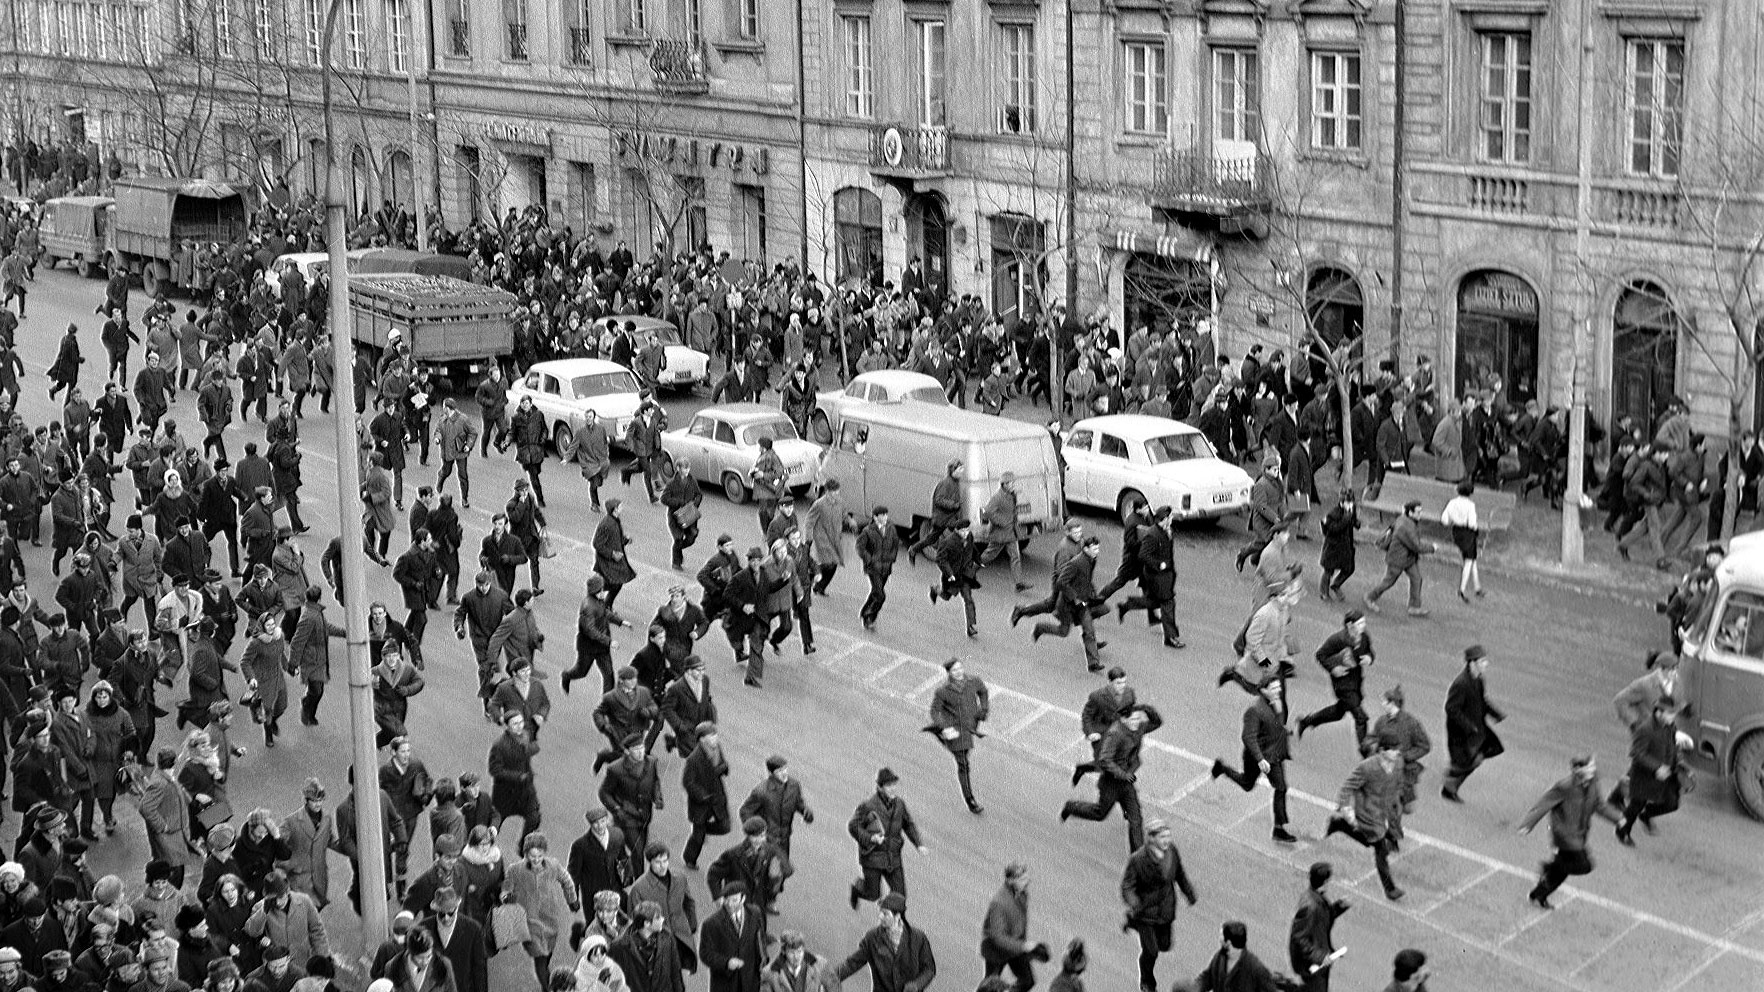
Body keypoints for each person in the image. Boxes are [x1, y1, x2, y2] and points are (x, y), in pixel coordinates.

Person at [1518, 754, 1621, 909]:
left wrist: (1618, 818)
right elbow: (1544, 803)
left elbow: (1599, 805)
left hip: (1580, 833)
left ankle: (1539, 894)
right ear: (1578, 770)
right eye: (1590, 767)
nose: (1593, 770)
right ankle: (1549, 867)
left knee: (1562, 872)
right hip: (1564, 834)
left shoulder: (1592, 783)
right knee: (1584, 865)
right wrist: (1528, 823)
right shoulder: (1565, 787)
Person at [1063, 705, 1162, 852]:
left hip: (1126, 783)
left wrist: (1146, 709)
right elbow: (1104, 760)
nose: (1137, 722)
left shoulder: (1138, 728)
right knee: (1100, 814)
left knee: (1136, 820)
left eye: (1138, 719)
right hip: (1111, 783)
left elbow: (1156, 723)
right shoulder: (1115, 734)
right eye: (1133, 719)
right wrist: (1123, 774)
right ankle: (1071, 807)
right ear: (1123, 719)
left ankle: (1138, 859)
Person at [1325, 731, 1407, 901]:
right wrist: (1346, 807)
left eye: (1398, 750)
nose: (1397, 753)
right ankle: (1390, 889)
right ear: (1383, 750)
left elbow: (1398, 783)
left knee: (1372, 841)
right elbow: (1347, 787)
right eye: (1393, 750)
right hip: (1368, 813)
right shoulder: (1368, 767)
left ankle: (1340, 825)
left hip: (1385, 812)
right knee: (1380, 849)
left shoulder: (1398, 763)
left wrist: (1398, 802)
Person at [1210, 680, 1296, 843]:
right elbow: (1248, 737)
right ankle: (1222, 768)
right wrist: (1260, 759)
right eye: (1274, 688)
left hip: (1274, 754)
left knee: (1281, 787)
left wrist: (1283, 732)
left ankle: (1278, 828)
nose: (1279, 690)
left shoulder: (1277, 702)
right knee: (1247, 784)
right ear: (1264, 690)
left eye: (1279, 687)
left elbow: (1277, 723)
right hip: (1257, 757)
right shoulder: (1255, 710)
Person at [1121, 818, 1196, 992]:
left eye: (1168, 836)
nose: (1167, 840)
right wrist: (1135, 902)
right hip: (1146, 912)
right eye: (1163, 837)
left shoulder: (1172, 852)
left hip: (1166, 908)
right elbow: (1127, 886)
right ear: (1152, 839)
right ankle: (1147, 981)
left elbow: (1179, 873)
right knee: (1151, 951)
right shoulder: (1138, 860)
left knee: (1165, 945)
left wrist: (1189, 893)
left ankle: (1131, 922)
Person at [846, 767, 925, 909]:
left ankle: (893, 924)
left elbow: (908, 824)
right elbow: (853, 826)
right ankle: (857, 889)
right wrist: (871, 838)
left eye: (894, 785)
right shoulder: (868, 806)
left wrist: (918, 844)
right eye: (889, 786)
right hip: (872, 858)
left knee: (900, 897)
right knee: (872, 894)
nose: (893, 788)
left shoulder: (899, 804)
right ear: (880, 787)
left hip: (893, 857)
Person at [1616, 696, 1687, 845]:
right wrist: (1657, 768)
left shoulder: (1670, 726)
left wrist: (1679, 761)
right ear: (1658, 713)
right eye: (1669, 713)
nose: (1672, 717)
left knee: (1672, 803)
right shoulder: (1645, 729)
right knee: (1635, 806)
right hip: (1645, 776)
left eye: (1673, 714)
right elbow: (1636, 752)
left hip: (1667, 773)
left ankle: (1646, 815)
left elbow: (1673, 745)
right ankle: (1622, 831)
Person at [1295, 611, 1374, 745]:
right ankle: (1365, 752)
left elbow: (1369, 651)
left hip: (1356, 680)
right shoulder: (1337, 640)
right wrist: (1333, 668)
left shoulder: (1364, 637)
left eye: (1364, 622)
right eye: (1360, 623)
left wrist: (1369, 658)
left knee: (1338, 712)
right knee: (1360, 718)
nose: (1363, 626)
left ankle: (1306, 722)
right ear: (1350, 625)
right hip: (1342, 683)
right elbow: (1320, 655)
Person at [1031, 536, 1107, 672]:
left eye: (1098, 548)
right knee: (1063, 631)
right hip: (1067, 605)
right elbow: (1061, 582)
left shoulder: (1091, 560)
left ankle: (1093, 663)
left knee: (1089, 631)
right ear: (1086, 549)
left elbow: (1086, 580)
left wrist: (1092, 595)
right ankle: (1040, 628)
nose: (1097, 551)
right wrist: (1075, 598)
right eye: (1095, 548)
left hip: (1083, 604)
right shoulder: (1075, 563)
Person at [833, 894, 935, 992]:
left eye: (885, 913)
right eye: (880, 912)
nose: (880, 916)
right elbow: (852, 963)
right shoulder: (872, 938)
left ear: (897, 916)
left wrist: (916, 985)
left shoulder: (918, 938)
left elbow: (929, 969)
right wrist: (830, 977)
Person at [1441, 644, 1503, 802]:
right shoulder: (1461, 683)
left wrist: (1495, 714)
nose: (1486, 664)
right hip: (1462, 734)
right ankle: (1449, 788)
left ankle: (1452, 779)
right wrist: (1469, 727)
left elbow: (1481, 700)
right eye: (1482, 661)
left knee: (1480, 755)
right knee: (1468, 761)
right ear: (1472, 663)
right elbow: (1451, 708)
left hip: (1476, 730)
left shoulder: (1478, 680)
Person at [925, 658, 988, 814]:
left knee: (965, 755)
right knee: (964, 765)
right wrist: (945, 728)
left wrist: (983, 708)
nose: (959, 672)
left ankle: (939, 734)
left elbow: (983, 691)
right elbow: (934, 711)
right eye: (955, 670)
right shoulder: (943, 691)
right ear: (949, 673)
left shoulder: (973, 681)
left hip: (970, 726)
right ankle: (970, 799)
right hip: (955, 730)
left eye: (960, 668)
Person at [978, 862, 1047, 990]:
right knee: (988, 988)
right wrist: (1024, 946)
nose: (1027, 882)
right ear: (1010, 881)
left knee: (1027, 981)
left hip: (1015, 947)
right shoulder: (998, 903)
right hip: (997, 951)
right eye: (1022, 879)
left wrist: (1027, 949)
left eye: (1027, 878)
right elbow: (998, 937)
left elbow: (1020, 925)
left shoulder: (1022, 894)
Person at [1364, 500, 1434, 617]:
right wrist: (1432, 548)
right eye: (1418, 512)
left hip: (1408, 558)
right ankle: (1370, 597)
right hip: (1397, 559)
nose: (1420, 514)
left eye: (1420, 512)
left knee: (1417, 579)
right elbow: (1416, 546)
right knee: (1388, 582)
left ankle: (1414, 607)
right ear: (1410, 513)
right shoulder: (1406, 527)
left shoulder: (1404, 519)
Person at [1287, 863, 1349, 992]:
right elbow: (1299, 937)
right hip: (1311, 963)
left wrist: (1338, 907)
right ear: (1325, 882)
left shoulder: (1314, 897)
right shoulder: (1310, 906)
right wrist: (1320, 957)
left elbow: (1321, 920)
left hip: (1318, 958)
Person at [738, 756, 812, 860]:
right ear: (772, 773)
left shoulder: (794, 786)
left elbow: (799, 803)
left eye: (785, 768)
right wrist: (756, 833)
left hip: (784, 839)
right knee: (768, 872)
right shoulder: (761, 792)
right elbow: (745, 811)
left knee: (783, 870)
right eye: (780, 771)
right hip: (767, 841)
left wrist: (806, 812)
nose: (784, 773)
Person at [1370, 686, 1430, 815]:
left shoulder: (1411, 723)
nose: (1382, 704)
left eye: (1384, 701)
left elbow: (1425, 746)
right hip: (1383, 767)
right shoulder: (1382, 721)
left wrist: (1405, 756)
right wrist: (1369, 746)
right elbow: (1372, 738)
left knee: (1408, 808)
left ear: (1392, 703)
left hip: (1404, 770)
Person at [680, 723, 731, 870]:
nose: (715, 738)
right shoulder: (693, 759)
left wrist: (724, 768)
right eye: (711, 736)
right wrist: (702, 796)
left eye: (715, 735)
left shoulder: (717, 749)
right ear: (702, 739)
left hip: (717, 797)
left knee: (724, 826)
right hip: (701, 802)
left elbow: (722, 764)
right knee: (698, 837)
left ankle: (701, 831)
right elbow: (688, 782)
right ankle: (689, 859)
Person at [699, 881, 763, 992]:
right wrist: (726, 962)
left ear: (743, 899)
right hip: (725, 983)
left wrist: (763, 963)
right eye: (727, 900)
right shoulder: (711, 924)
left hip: (749, 980)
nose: (729, 904)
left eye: (734, 900)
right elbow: (705, 953)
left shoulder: (755, 913)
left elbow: (760, 941)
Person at [1181, 921, 1281, 992]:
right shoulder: (1220, 958)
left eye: (1221, 936)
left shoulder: (1255, 968)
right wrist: (1195, 988)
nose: (1219, 938)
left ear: (1228, 943)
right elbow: (1208, 977)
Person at [927, 518, 980, 637]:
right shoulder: (947, 542)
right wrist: (950, 574)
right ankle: (935, 590)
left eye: (967, 530)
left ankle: (970, 626)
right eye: (963, 531)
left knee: (968, 599)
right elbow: (941, 560)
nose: (966, 532)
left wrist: (978, 560)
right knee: (946, 596)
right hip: (952, 577)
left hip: (965, 575)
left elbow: (972, 548)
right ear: (957, 531)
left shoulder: (969, 536)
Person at [977, 473, 1028, 592]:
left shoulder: (1012, 495)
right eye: (1010, 483)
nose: (1012, 485)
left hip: (1010, 532)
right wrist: (1003, 522)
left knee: (1015, 557)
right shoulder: (997, 497)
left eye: (1013, 483)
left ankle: (1018, 583)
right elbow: (988, 512)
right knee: (989, 555)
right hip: (1000, 534)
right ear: (1004, 485)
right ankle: (971, 569)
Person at [907, 461, 963, 564]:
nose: (962, 471)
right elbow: (938, 499)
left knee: (931, 539)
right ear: (952, 471)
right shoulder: (945, 483)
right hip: (943, 518)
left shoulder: (955, 483)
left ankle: (913, 549)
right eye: (959, 469)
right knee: (950, 539)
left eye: (962, 469)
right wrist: (953, 505)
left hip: (948, 518)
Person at [854, 506, 899, 631]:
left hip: (886, 567)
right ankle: (868, 616)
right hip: (873, 569)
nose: (885, 517)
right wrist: (870, 560)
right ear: (875, 517)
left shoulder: (891, 528)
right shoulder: (868, 531)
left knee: (875, 592)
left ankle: (865, 612)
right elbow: (860, 548)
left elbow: (895, 544)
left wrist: (892, 558)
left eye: (886, 515)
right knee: (880, 595)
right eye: (882, 515)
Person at [1440, 480, 1484, 601]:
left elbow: (1444, 520)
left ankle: (1477, 587)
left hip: (1456, 532)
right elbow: (1472, 523)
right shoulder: (1470, 505)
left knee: (1472, 559)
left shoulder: (1452, 503)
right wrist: (1476, 529)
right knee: (1469, 561)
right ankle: (1462, 589)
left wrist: (1453, 520)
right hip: (1468, 533)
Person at [761, 930, 838, 992]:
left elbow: (833, 986)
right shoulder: (769, 974)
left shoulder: (819, 964)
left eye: (799, 951)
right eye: (792, 952)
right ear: (784, 952)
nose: (796, 957)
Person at [1317, 490, 1358, 601]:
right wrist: (1346, 519)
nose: (1350, 505)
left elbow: (1352, 521)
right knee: (1328, 570)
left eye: (1351, 502)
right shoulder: (1333, 513)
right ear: (1341, 502)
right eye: (1348, 502)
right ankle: (1323, 592)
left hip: (1346, 545)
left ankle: (1336, 585)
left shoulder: (1350, 510)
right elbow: (1333, 529)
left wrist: (1355, 522)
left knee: (1349, 569)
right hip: (1333, 546)